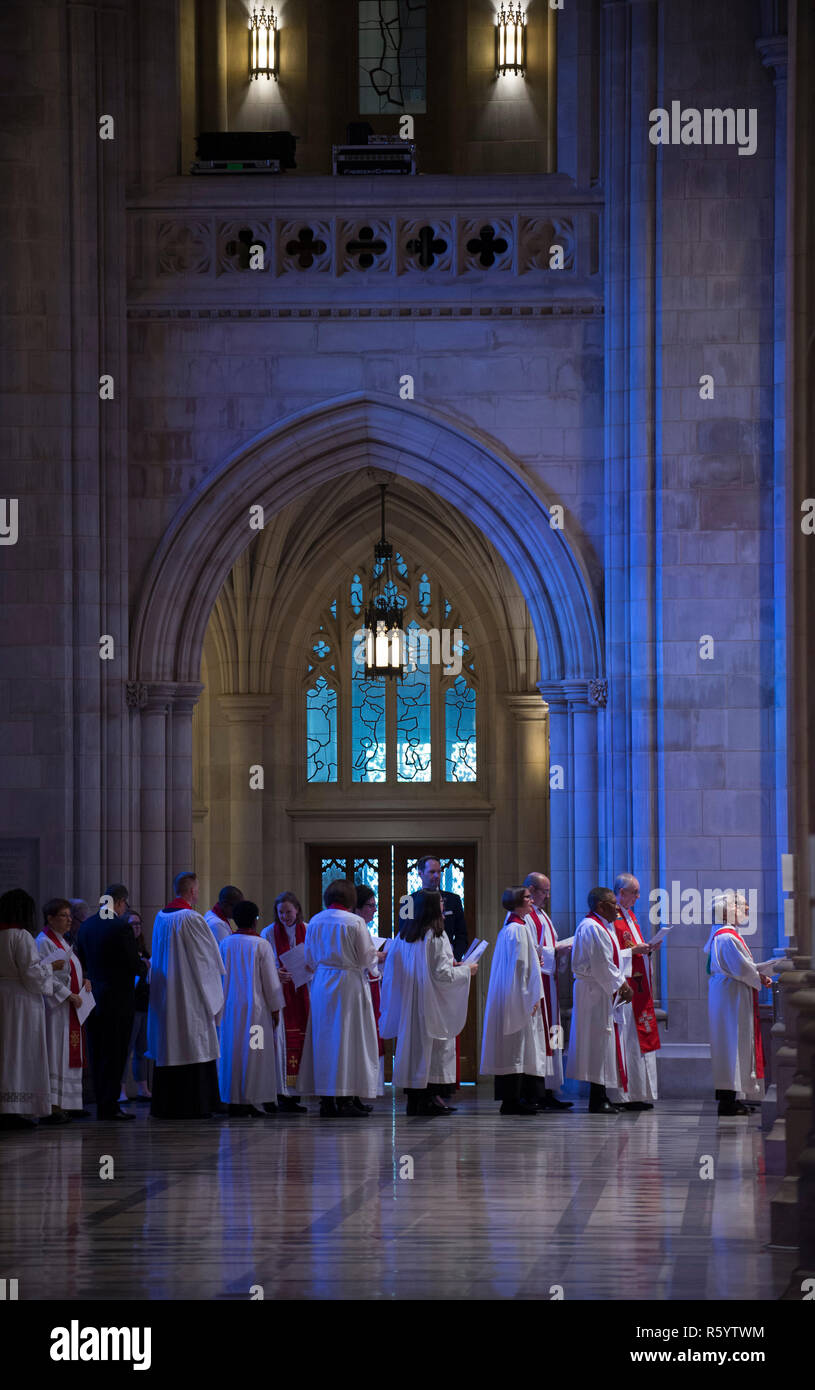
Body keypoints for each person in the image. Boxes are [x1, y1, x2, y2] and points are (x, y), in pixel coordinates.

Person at [380, 888, 475, 1116]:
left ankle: (415, 1102)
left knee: (414, 1050)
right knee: (433, 1050)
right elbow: (442, 973)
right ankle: (429, 1101)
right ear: (433, 907)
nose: (444, 904)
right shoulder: (437, 935)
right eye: (441, 901)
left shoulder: (404, 934)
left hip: (410, 1003)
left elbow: (392, 970)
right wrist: (466, 971)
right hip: (431, 1002)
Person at [297, 879, 384, 1118]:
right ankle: (346, 1098)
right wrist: (375, 968)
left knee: (326, 1040)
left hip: (324, 983)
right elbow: (368, 957)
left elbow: (309, 957)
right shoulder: (355, 922)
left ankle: (327, 1099)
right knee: (350, 1039)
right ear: (350, 899)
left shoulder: (315, 920)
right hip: (349, 983)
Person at [147, 871, 225, 1120]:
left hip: (166, 993)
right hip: (190, 993)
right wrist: (215, 992)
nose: (199, 893)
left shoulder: (161, 916)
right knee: (195, 1044)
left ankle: (168, 1105)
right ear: (192, 891)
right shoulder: (191, 918)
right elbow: (207, 959)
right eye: (198, 889)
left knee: (172, 1043)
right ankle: (197, 1104)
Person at [565, 886, 650, 1113]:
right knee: (597, 1043)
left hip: (600, 989)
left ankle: (601, 1095)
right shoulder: (592, 927)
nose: (618, 909)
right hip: (594, 992)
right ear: (601, 906)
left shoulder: (603, 926)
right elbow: (602, 963)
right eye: (613, 904)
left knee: (603, 1044)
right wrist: (622, 986)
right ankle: (597, 1098)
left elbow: (609, 959)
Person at [480, 886, 552, 1115]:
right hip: (518, 997)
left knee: (518, 1048)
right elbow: (519, 969)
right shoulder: (518, 930)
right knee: (517, 1048)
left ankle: (518, 1098)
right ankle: (513, 1100)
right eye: (528, 898)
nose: (532, 901)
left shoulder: (511, 928)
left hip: (513, 994)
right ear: (517, 903)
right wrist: (529, 997)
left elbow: (523, 963)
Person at [76, 883, 142, 1122]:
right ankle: (110, 1105)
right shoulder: (119, 926)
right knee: (115, 1053)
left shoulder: (86, 926)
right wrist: (143, 967)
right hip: (118, 999)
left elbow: (80, 959)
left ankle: (102, 1102)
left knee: (97, 1051)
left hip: (93, 998)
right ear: (121, 902)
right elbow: (132, 963)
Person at [218, 900, 285, 1117]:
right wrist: (276, 1009)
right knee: (254, 1053)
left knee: (233, 1053)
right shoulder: (261, 945)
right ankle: (251, 1099)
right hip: (255, 1011)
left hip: (230, 1009)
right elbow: (270, 981)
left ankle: (233, 1100)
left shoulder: (226, 944)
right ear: (255, 920)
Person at [705, 891, 770, 1117]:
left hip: (730, 994)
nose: (747, 910)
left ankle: (733, 1098)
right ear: (727, 911)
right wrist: (760, 974)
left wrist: (758, 974)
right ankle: (728, 1101)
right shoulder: (726, 937)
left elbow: (742, 967)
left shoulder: (724, 935)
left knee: (733, 1044)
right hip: (731, 997)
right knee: (732, 1043)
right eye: (742, 905)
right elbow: (742, 968)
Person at [0, 889, 56, 1129]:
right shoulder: (20, 936)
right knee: (20, 1052)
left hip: (4, 995)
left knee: (5, 1053)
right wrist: (50, 968)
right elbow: (31, 973)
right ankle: (14, 1108)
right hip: (21, 1000)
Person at [36, 898, 92, 1123]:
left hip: (70, 1008)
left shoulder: (63, 941)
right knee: (56, 1054)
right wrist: (69, 994)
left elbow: (70, 973)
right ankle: (53, 1105)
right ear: (50, 918)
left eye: (70, 915)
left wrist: (84, 983)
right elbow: (43, 975)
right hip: (56, 1011)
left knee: (68, 1054)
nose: (70, 920)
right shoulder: (43, 942)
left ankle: (69, 1102)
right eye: (64, 915)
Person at [608, 874, 659, 1111]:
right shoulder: (612, 918)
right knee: (625, 1038)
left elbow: (630, 947)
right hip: (623, 987)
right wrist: (634, 951)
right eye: (634, 892)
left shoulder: (630, 916)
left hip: (638, 985)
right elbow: (609, 952)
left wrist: (647, 949)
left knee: (637, 1039)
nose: (638, 897)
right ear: (620, 892)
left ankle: (638, 1093)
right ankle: (623, 1095)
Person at [523, 872, 572, 1109]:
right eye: (545, 891)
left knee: (555, 1034)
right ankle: (538, 1089)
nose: (548, 896)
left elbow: (546, 946)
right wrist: (556, 951)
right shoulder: (525, 917)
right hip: (538, 985)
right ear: (531, 890)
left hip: (550, 984)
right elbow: (531, 951)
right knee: (542, 1036)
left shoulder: (543, 915)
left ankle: (552, 1087)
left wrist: (559, 950)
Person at [261, 891, 309, 1112]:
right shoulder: (269, 932)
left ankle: (296, 1094)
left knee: (302, 1041)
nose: (285, 916)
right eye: (280, 912)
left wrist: (309, 967)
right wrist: (275, 972)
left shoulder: (307, 930)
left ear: (297, 910)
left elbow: (315, 958)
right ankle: (281, 1093)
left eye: (288, 912)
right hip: (280, 993)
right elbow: (263, 962)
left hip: (303, 992)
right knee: (280, 1043)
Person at [406, 856, 469, 962]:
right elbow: (405, 934)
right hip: (418, 960)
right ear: (420, 874)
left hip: (449, 959)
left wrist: (454, 957)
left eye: (439, 872)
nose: (437, 875)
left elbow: (462, 935)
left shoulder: (453, 899)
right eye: (432, 872)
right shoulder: (409, 901)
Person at [356, 884, 385, 1107]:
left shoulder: (361, 927)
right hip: (355, 987)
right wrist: (379, 956)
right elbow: (365, 959)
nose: (374, 910)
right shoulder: (355, 925)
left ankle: (358, 1092)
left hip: (366, 986)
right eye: (371, 906)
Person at [119, 910, 151, 1103]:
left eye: (139, 923)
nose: (137, 927)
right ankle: (121, 1089)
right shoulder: (124, 947)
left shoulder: (142, 947)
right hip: (129, 1003)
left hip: (144, 1002)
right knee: (127, 1048)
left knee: (142, 1048)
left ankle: (143, 1088)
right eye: (133, 924)